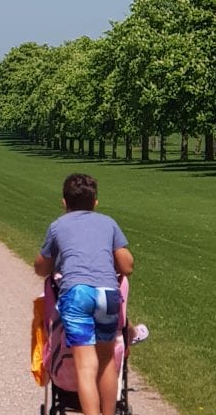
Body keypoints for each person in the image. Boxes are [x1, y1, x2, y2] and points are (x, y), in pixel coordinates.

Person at [34, 173, 134, 415]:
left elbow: (42, 267)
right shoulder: (108, 223)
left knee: (86, 366)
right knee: (106, 361)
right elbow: (127, 265)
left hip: (77, 293)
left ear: (64, 202)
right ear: (95, 203)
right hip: (107, 293)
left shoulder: (58, 226)